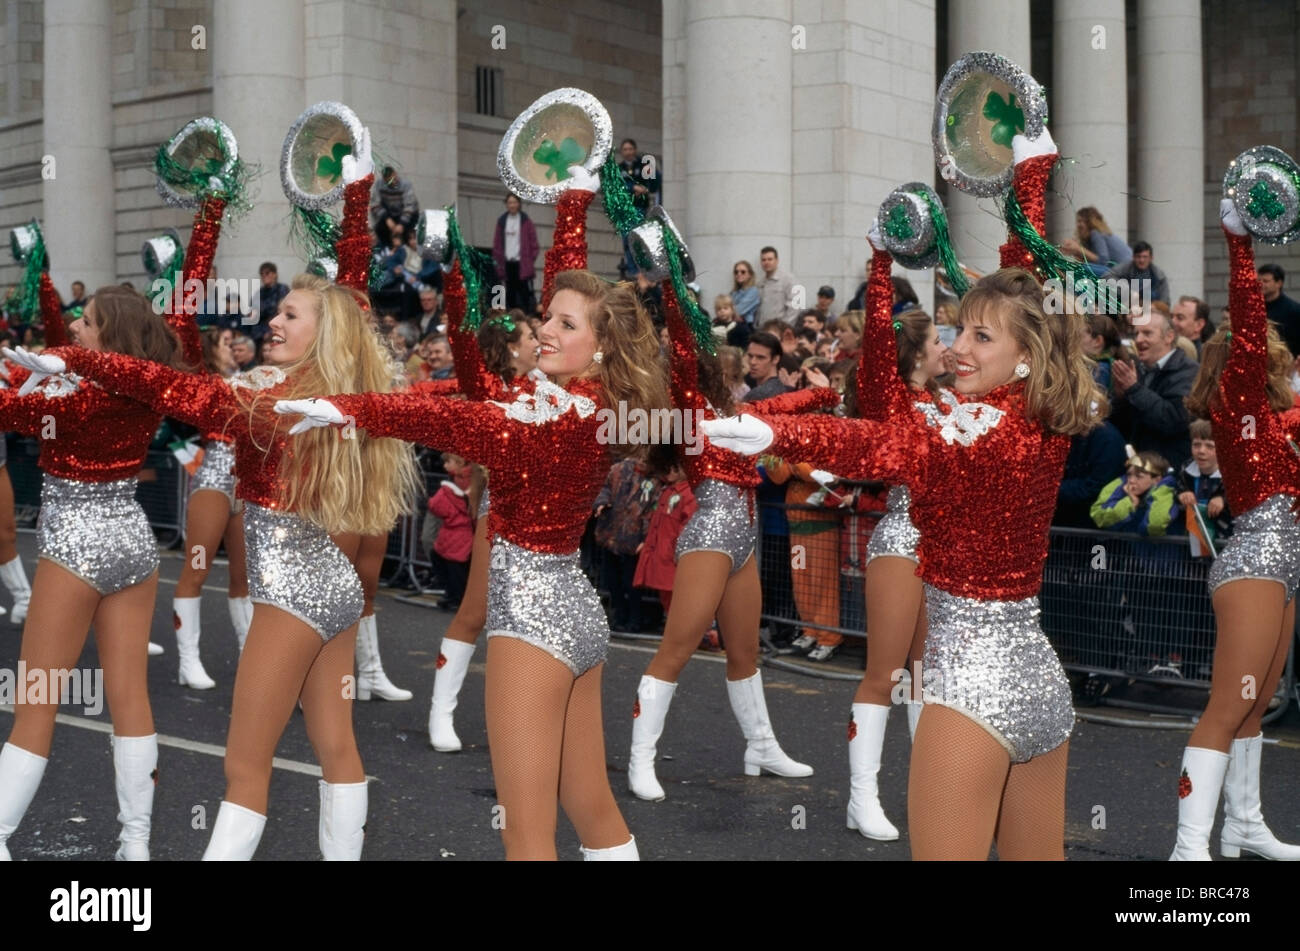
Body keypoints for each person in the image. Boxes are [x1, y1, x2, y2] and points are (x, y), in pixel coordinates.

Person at [704, 130, 1103, 861]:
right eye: (959, 331)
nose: (959, 347)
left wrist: (776, 435)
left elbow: (882, 445)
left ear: (1023, 359)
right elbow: (1026, 296)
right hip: (1043, 687)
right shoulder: (1040, 419)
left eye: (980, 339)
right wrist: (1030, 174)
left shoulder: (972, 434)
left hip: (970, 695)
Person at [280, 166, 658, 860]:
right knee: (590, 803)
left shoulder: (558, 423)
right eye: (545, 315)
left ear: (597, 346)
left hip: (535, 626)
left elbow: (458, 425)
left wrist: (353, 408)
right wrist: (571, 201)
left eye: (562, 324)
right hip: (576, 616)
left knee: (525, 829)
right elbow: (562, 297)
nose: (544, 327)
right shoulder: (585, 404)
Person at [624, 275, 834, 804]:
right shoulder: (691, 415)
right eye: (714, 358)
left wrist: (823, 388)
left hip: (745, 541)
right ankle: (640, 759)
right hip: (711, 536)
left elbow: (796, 404)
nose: (727, 362)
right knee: (677, 647)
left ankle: (761, 746)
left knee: (744, 650)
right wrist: (675, 291)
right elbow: (681, 348)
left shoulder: (745, 414)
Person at [0, 285, 186, 862]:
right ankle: (136, 843)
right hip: (134, 543)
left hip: (75, 548)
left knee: (36, 700)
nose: (75, 329)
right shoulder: (146, 390)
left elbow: (9, 411)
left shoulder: (74, 401)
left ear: (111, 336)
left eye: (87, 322)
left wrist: (15, 379)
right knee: (130, 697)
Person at [1169, 201, 1300, 861]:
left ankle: (1243, 824)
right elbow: (1249, 324)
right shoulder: (1240, 401)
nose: (1276, 356)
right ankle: (1190, 845)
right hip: (1252, 563)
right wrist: (1238, 244)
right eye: (1271, 350)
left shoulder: (1271, 421)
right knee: (1228, 706)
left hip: (1279, 569)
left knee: (1254, 704)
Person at [426, 303, 540, 753]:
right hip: (501, 509)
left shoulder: (549, 388)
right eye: (531, 336)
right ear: (513, 348)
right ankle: (441, 713)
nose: (539, 341)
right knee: (475, 610)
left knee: (529, 620)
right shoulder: (491, 392)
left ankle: (523, 719)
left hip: (544, 517)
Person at [1109, 304, 1197, 469]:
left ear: (1169, 336)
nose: (1139, 340)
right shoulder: (1140, 371)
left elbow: (1173, 420)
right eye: (1137, 333)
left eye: (1147, 333)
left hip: (1172, 473)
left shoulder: (1188, 371)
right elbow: (1124, 425)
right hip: (1140, 469)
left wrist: (1134, 389)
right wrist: (1121, 398)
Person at [592, 458, 658, 634]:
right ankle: (618, 616)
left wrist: (646, 537)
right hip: (611, 533)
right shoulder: (618, 469)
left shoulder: (656, 477)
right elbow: (603, 488)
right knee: (611, 580)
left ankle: (635, 618)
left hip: (634, 538)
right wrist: (601, 503)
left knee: (632, 582)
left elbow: (654, 510)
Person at [1090, 451, 1179, 536]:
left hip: (1165, 550)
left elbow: (1154, 525)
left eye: (1139, 476)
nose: (1131, 480)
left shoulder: (1167, 491)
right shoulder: (1121, 486)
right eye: (1129, 475)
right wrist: (1130, 503)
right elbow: (1100, 517)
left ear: (1156, 480)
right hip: (1129, 551)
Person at [428, 455, 475, 610]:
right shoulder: (474, 482)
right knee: (459, 569)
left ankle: (453, 596)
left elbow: (435, 506)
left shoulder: (448, 489)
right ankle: (457, 597)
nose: (445, 466)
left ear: (460, 463)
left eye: (448, 462)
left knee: (446, 565)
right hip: (467, 531)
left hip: (452, 531)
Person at [1175, 418, 1232, 545]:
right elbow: (1176, 492)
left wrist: (1223, 500)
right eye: (1196, 445)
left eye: (1209, 446)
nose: (1201, 451)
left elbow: (1244, 498)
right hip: (1193, 541)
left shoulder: (1234, 474)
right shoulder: (1186, 470)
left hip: (1225, 541)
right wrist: (1182, 495)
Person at [493, 193, 539, 312]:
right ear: (506, 204)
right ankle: (512, 318)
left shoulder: (526, 221)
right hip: (507, 263)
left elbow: (534, 243)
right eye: (509, 203)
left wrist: (529, 259)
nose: (512, 205)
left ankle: (526, 317)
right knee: (510, 294)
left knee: (525, 293)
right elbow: (497, 244)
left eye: (514, 202)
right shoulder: (502, 221)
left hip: (522, 263)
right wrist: (498, 261)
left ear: (519, 204)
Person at [1061, 206, 1131, 272]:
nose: (1078, 225)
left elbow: (1103, 261)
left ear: (1089, 223)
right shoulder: (1091, 238)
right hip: (1123, 270)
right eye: (1078, 221)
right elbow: (1093, 261)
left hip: (1127, 272)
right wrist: (1075, 252)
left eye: (1081, 221)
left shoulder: (1096, 234)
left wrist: (1078, 248)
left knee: (1082, 268)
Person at [1103, 241, 1170, 305]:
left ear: (1151, 258)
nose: (1141, 260)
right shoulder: (1126, 268)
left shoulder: (1159, 276)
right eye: (1138, 257)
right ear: (1133, 257)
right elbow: (1106, 276)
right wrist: (1128, 291)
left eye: (1145, 257)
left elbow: (1164, 301)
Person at [371, 165, 419, 247]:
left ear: (395, 174)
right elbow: (375, 204)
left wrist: (402, 224)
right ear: (384, 179)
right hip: (390, 215)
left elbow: (409, 206)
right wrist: (387, 219)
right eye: (389, 181)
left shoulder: (406, 185)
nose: (392, 182)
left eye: (393, 178)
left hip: (407, 216)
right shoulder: (380, 184)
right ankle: (385, 251)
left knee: (408, 234)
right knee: (380, 229)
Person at [1258, 263, 1300, 356]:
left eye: (1265, 281)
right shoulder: (1254, 308)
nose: (1260, 284)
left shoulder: (1294, 310)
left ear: (1279, 283)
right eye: (1259, 280)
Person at [741, 331, 786, 402]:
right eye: (750, 356)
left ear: (775, 359)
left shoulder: (758, 395)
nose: (753, 362)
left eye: (760, 357)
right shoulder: (782, 388)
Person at [757, 246, 796, 325]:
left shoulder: (789, 279)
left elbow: (796, 306)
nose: (766, 262)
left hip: (779, 329)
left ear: (777, 261)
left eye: (770, 259)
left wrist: (784, 327)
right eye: (763, 260)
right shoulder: (760, 283)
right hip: (762, 329)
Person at [730, 260, 760, 325]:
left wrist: (730, 311)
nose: (739, 274)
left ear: (750, 274)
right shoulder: (734, 292)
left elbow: (738, 310)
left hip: (746, 327)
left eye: (743, 272)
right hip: (733, 325)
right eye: (736, 272)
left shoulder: (753, 291)